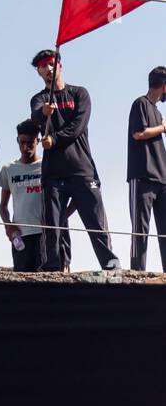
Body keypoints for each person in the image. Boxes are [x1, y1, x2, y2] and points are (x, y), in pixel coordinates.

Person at [29, 49, 119, 270]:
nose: (48, 69)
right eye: (43, 66)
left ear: (60, 65)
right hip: (53, 173)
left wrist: (55, 138)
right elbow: (35, 114)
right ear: (39, 72)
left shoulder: (80, 93)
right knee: (52, 223)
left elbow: (78, 126)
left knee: (95, 219)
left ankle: (109, 262)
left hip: (82, 168)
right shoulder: (39, 99)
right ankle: (52, 265)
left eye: (52, 64)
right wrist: (43, 112)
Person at [127, 66, 166, 272]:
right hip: (142, 176)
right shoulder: (140, 103)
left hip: (162, 179)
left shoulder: (158, 111)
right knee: (140, 230)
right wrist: (163, 127)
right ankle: (137, 274)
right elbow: (138, 133)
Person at [0, 120, 45, 273]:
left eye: (30, 143)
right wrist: (8, 225)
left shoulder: (47, 166)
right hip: (21, 236)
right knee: (23, 285)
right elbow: (3, 206)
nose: (25, 147)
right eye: (22, 142)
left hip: (44, 234)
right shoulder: (8, 169)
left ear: (37, 141)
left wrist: (60, 218)